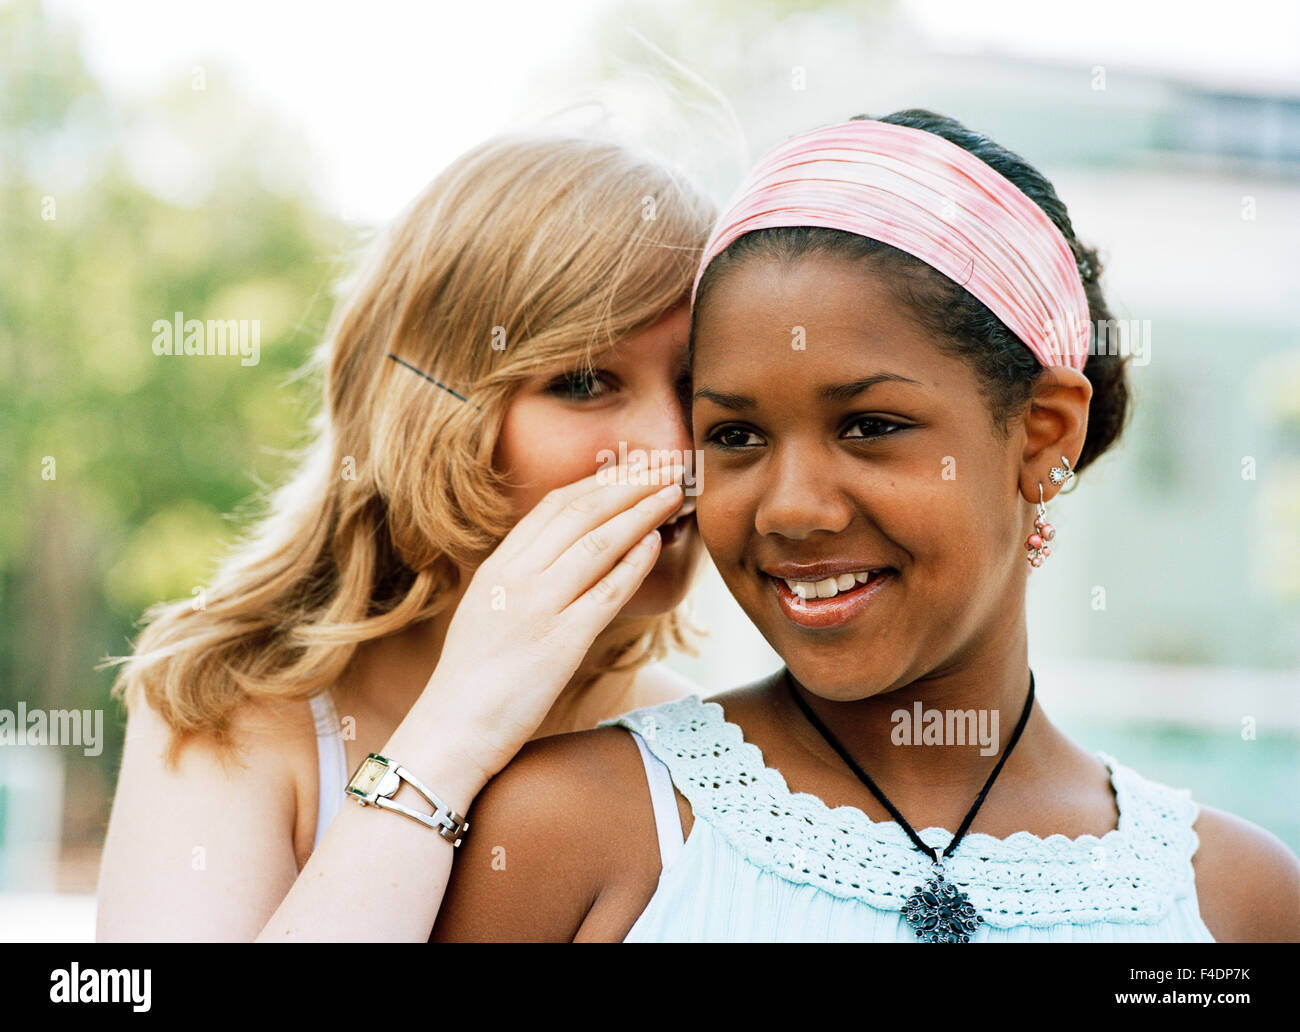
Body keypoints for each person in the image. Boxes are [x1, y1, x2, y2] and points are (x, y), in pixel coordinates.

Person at [430, 110, 1300, 942]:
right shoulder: (567, 834)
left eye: (869, 427)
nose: (793, 509)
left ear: (1043, 435)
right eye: (735, 436)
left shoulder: (1233, 901)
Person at [96, 132, 715, 941]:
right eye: (583, 382)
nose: (674, 456)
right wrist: (456, 729)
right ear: (435, 411)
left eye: (698, 384)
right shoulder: (227, 699)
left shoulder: (706, 747)